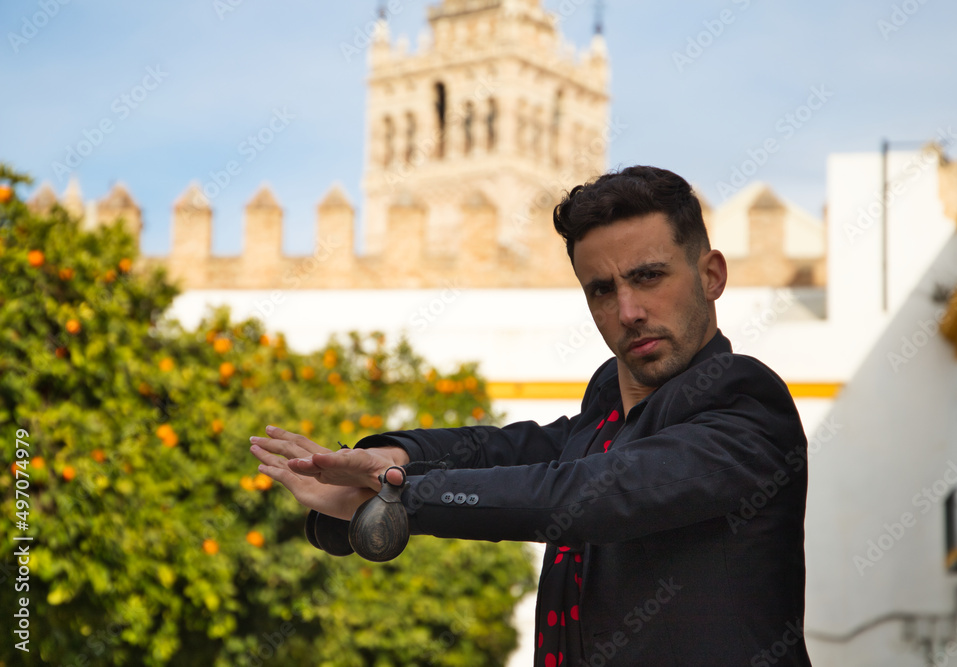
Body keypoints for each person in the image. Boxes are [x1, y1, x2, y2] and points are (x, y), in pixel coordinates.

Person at [250, 165, 811, 666]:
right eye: (601, 290)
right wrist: (393, 458)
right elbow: (507, 450)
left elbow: (585, 494)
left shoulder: (745, 402)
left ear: (711, 275)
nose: (628, 312)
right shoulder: (607, 413)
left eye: (648, 276)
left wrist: (396, 495)